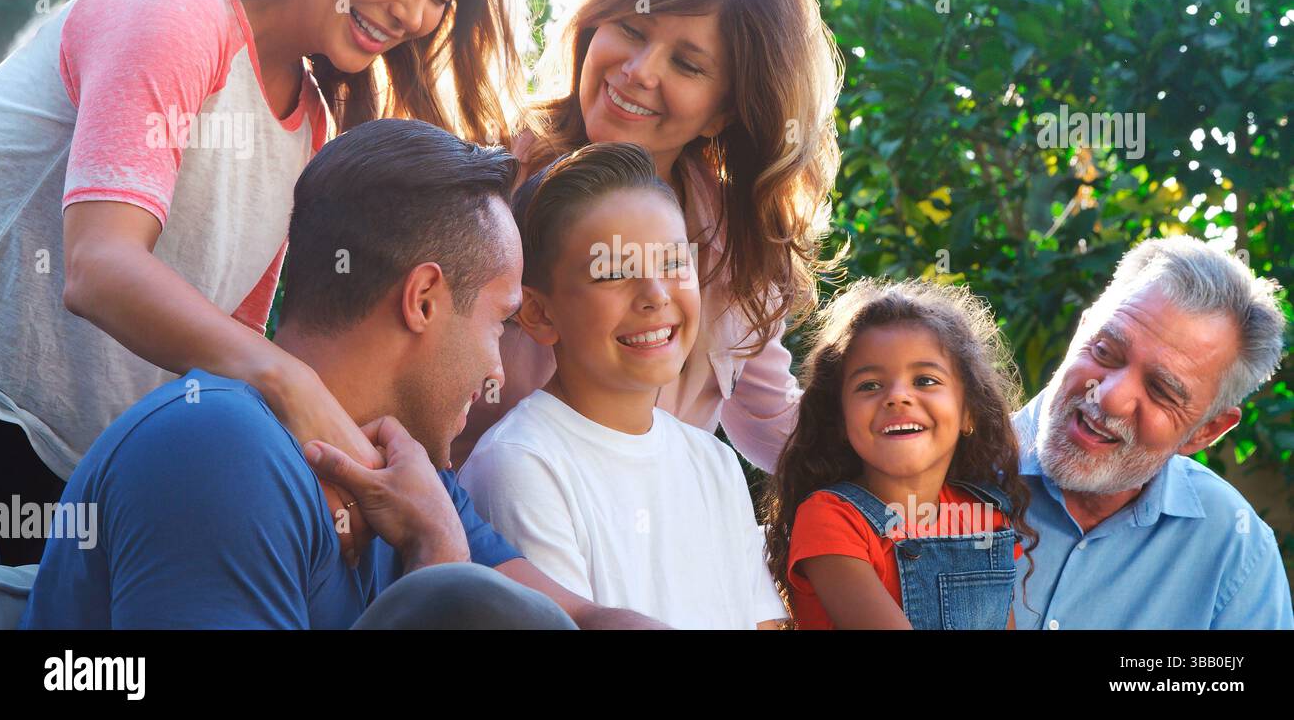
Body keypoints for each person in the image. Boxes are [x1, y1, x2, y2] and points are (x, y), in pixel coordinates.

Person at [0, 0, 521, 566]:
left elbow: (217, 349)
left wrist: (333, 466)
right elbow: (97, 266)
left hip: (85, 478)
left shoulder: (310, 125)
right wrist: (289, 382)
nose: (414, 14)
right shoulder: (176, 7)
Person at [20, 120, 663, 629]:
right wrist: (440, 566)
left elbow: (578, 622)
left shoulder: (412, 477)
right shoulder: (217, 450)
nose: (499, 366)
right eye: (500, 322)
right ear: (424, 300)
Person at [453, 0, 844, 472]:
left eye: (687, 64)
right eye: (632, 30)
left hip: (643, 550)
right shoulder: (483, 186)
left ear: (725, 112)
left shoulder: (732, 246)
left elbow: (778, 429)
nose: (638, 71)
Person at [459, 143, 786, 629]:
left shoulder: (713, 462)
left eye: (674, 263)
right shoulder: (521, 465)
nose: (655, 295)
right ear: (539, 313)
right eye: (614, 272)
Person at [1009, 235, 1292, 629]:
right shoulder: (931, 471)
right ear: (1084, 327)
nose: (1109, 398)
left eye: (1161, 391)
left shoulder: (1237, 551)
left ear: (1206, 431)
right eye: (1105, 351)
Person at [762, 278, 1037, 629]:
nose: (897, 397)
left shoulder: (986, 517)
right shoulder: (830, 519)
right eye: (870, 385)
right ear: (840, 420)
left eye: (925, 380)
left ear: (969, 411)